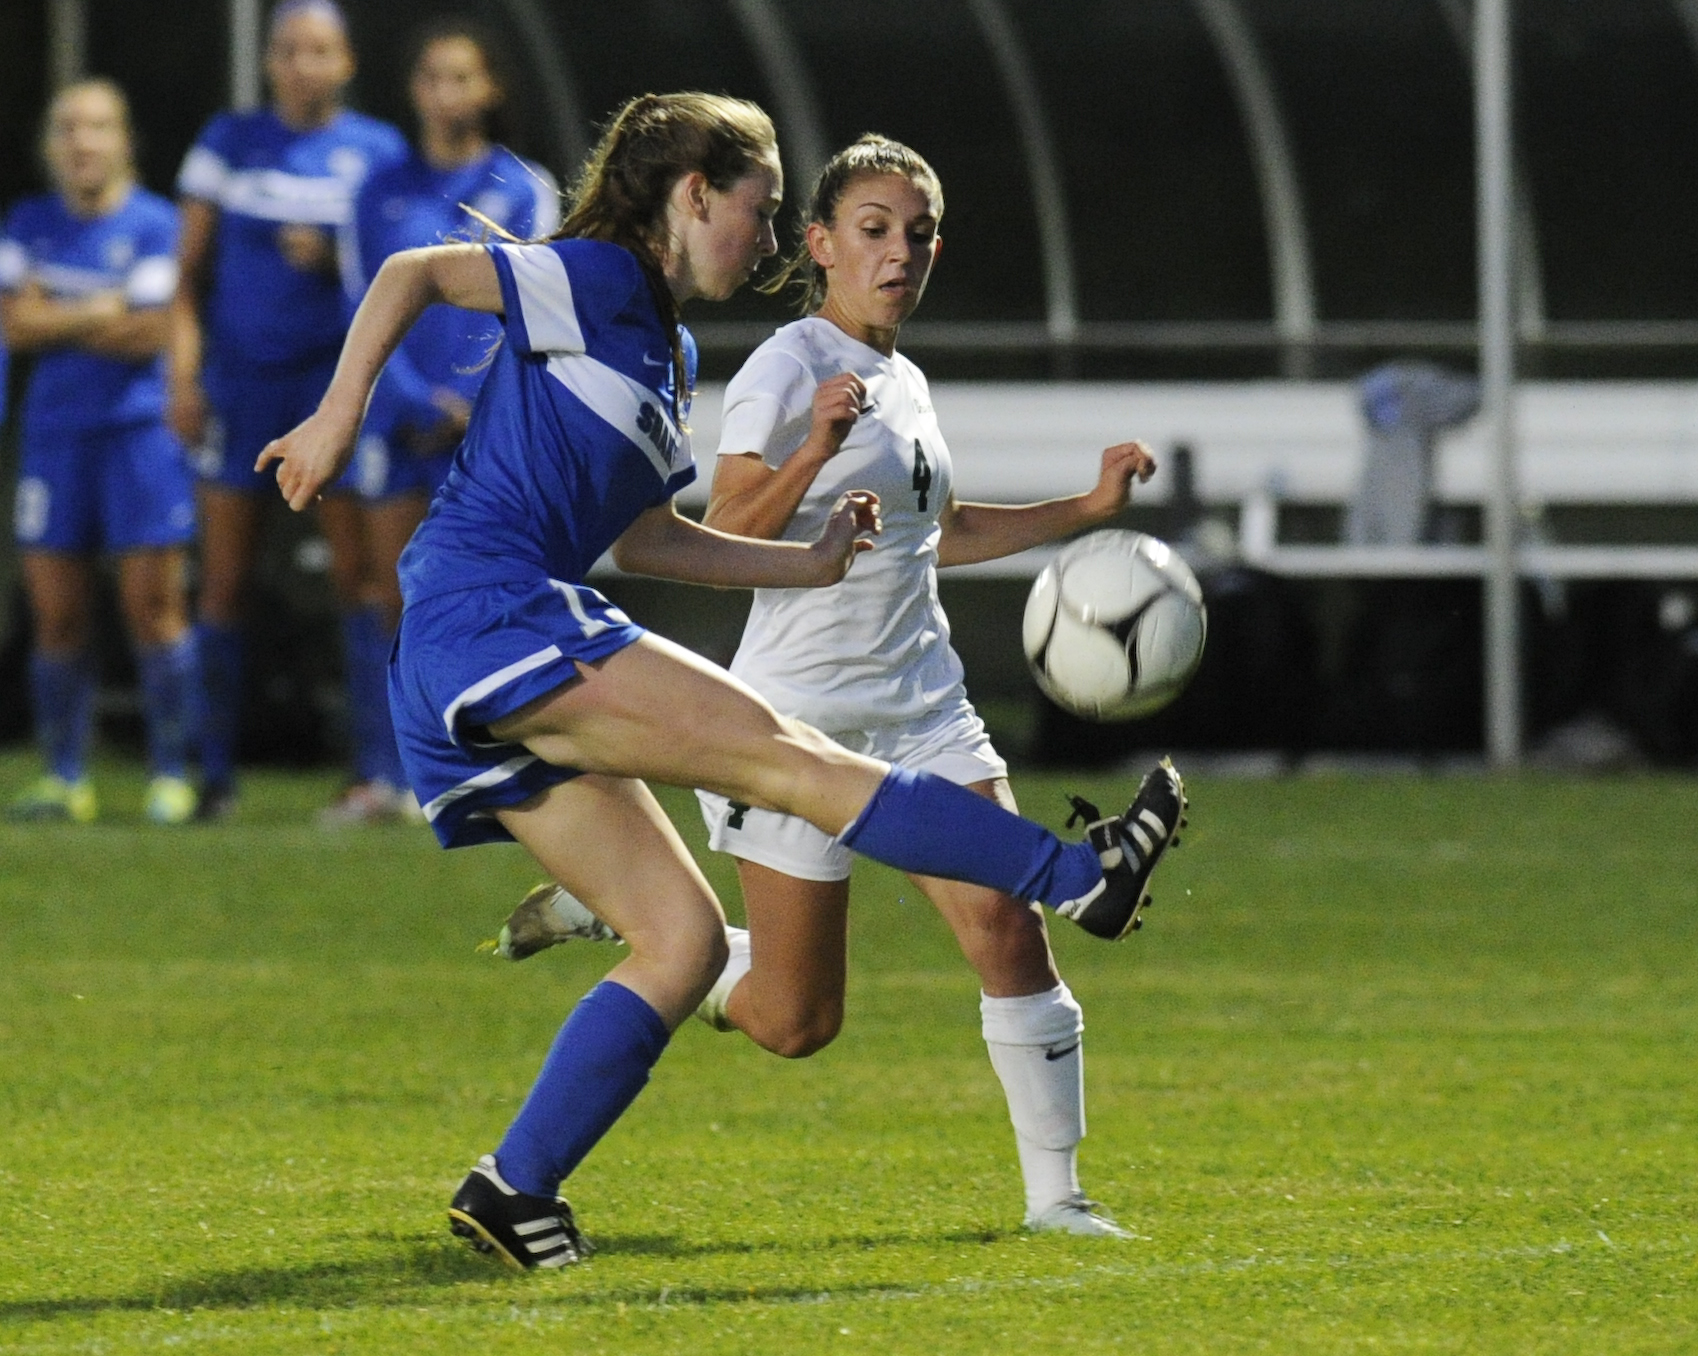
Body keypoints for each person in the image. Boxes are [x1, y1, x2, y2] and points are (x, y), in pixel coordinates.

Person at [255, 93, 1184, 1270]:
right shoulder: (596, 276)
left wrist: (810, 560)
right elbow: (410, 273)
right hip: (491, 615)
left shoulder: (665, 345)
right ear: (693, 197)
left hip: (501, 633)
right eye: (756, 212)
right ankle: (1076, 874)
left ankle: (511, 1189)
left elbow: (651, 540)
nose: (762, 239)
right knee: (795, 762)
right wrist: (337, 421)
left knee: (687, 943)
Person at [495, 135, 1168, 1237]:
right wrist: (811, 450)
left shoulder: (902, 379)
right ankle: (645, 925)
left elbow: (933, 534)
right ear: (818, 245)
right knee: (796, 1021)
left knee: (1008, 931)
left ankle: (1060, 1202)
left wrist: (1083, 512)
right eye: (871, 230)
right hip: (795, 726)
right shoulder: (787, 366)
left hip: (924, 705)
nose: (895, 252)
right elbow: (720, 528)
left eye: (914, 234)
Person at [168, 0, 407, 818]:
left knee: (361, 575)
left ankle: (380, 772)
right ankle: (210, 777)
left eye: (320, 50)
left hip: (333, 388)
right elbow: (186, 275)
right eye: (289, 50)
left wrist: (332, 256)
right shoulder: (228, 142)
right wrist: (184, 374)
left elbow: (397, 269)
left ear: (345, 63)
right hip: (240, 384)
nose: (304, 64)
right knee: (224, 580)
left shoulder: (378, 153)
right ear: (270, 62)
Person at [330, 18, 558, 824]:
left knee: (490, 596)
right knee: (383, 593)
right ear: (413, 89)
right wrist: (419, 403)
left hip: (489, 435)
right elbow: (362, 304)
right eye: (433, 77)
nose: (446, 93)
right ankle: (386, 775)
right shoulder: (374, 189)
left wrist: (481, 408)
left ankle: (500, 771)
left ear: (489, 88)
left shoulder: (526, 188)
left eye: (462, 78)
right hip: (399, 424)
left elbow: (544, 311)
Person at [1, 80, 200, 824]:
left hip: (138, 431)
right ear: (51, 145)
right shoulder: (29, 221)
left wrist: (57, 311)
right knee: (55, 615)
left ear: (123, 141)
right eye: (67, 127)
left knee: (155, 608)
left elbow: (149, 331)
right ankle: (63, 776)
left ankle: (172, 773)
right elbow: (13, 327)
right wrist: (101, 308)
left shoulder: (155, 223)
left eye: (96, 127)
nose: (82, 141)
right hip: (55, 434)